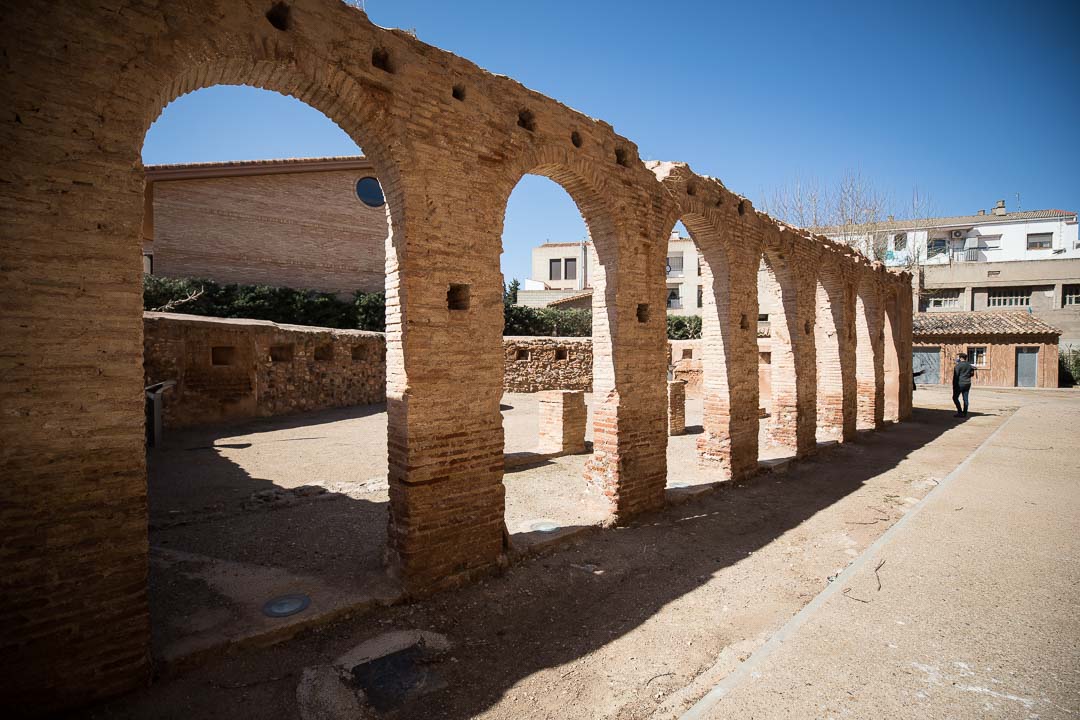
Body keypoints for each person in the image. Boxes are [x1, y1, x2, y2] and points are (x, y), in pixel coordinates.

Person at [951, 352, 975, 417]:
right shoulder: (969, 365)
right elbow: (972, 374)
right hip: (967, 383)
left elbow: (955, 376)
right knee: (965, 399)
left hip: (960, 384)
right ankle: (965, 413)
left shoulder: (958, 366)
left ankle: (960, 412)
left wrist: (954, 385)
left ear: (960, 358)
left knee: (955, 398)